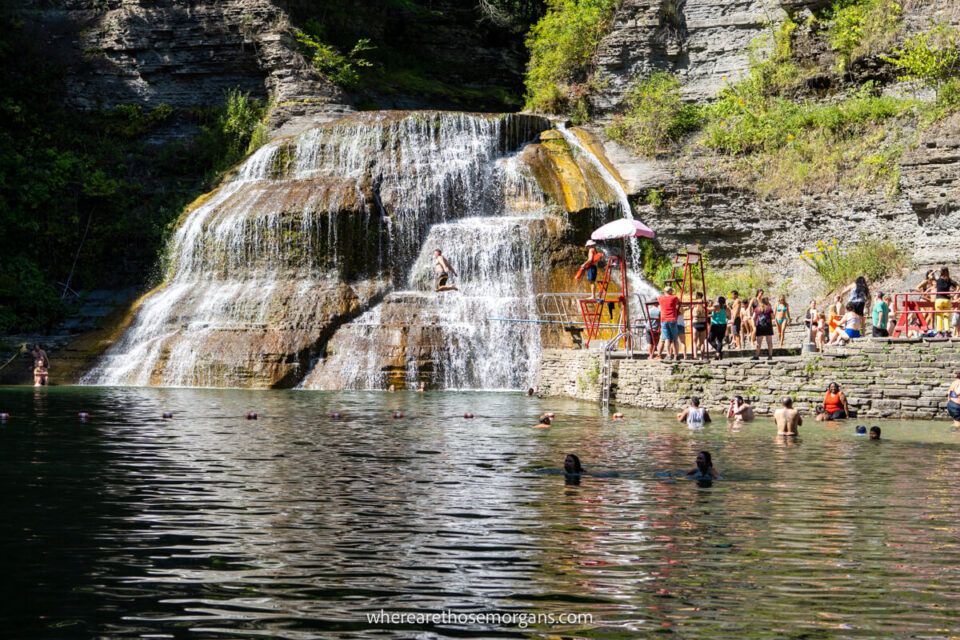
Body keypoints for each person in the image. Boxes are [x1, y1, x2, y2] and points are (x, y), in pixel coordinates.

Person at [656, 286, 681, 360]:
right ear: (670, 291)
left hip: (664, 320)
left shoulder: (660, 298)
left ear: (664, 291)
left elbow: (657, 297)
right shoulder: (674, 298)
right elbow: (679, 300)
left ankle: (668, 355)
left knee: (667, 338)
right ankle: (676, 355)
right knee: (675, 339)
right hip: (672, 319)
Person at [934, 267, 958, 334]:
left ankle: (939, 332)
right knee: (946, 316)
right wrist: (954, 294)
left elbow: (930, 276)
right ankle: (947, 331)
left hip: (939, 299)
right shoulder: (949, 280)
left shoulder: (938, 279)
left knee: (939, 316)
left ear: (941, 271)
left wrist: (935, 270)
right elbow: (958, 286)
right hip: (947, 300)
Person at [692, 291, 708, 359]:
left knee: (695, 342)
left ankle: (695, 356)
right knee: (702, 342)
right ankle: (702, 356)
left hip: (696, 323)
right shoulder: (704, 305)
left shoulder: (694, 304)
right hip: (703, 323)